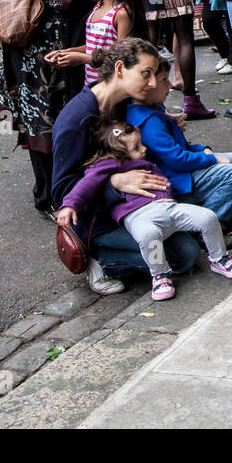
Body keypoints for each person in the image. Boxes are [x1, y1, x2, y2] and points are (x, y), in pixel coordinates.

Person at [51, 38, 200, 295]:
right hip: (98, 221)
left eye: (155, 74)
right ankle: (102, 260)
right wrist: (114, 184)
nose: (153, 83)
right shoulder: (76, 119)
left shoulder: (122, 102)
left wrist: (169, 123)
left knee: (188, 245)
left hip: (135, 208)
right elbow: (60, 193)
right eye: (146, 74)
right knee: (183, 256)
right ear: (120, 69)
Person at [0, 0, 110, 210]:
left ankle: (79, 187)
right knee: (47, 114)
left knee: (83, 111)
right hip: (43, 42)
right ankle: (47, 195)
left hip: (82, 38)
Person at [56, 117, 232, 302]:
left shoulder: (144, 160)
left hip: (169, 208)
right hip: (139, 216)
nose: (144, 149)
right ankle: (160, 275)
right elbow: (86, 185)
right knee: (150, 236)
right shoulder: (109, 165)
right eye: (137, 147)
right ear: (118, 154)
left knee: (208, 217)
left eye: (141, 144)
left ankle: (219, 258)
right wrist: (70, 204)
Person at [126, 57, 232, 236]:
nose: (169, 86)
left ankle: (229, 218)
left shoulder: (154, 109)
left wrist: (201, 150)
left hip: (178, 173)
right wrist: (210, 158)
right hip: (176, 182)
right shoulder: (149, 122)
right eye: (164, 80)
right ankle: (208, 230)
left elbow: (180, 147)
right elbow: (176, 160)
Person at [46, 0, 148, 85]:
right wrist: (67, 53)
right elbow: (96, 45)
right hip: (92, 84)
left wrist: (82, 59)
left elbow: (123, 56)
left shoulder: (122, 13)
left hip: (112, 87)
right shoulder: (98, 6)